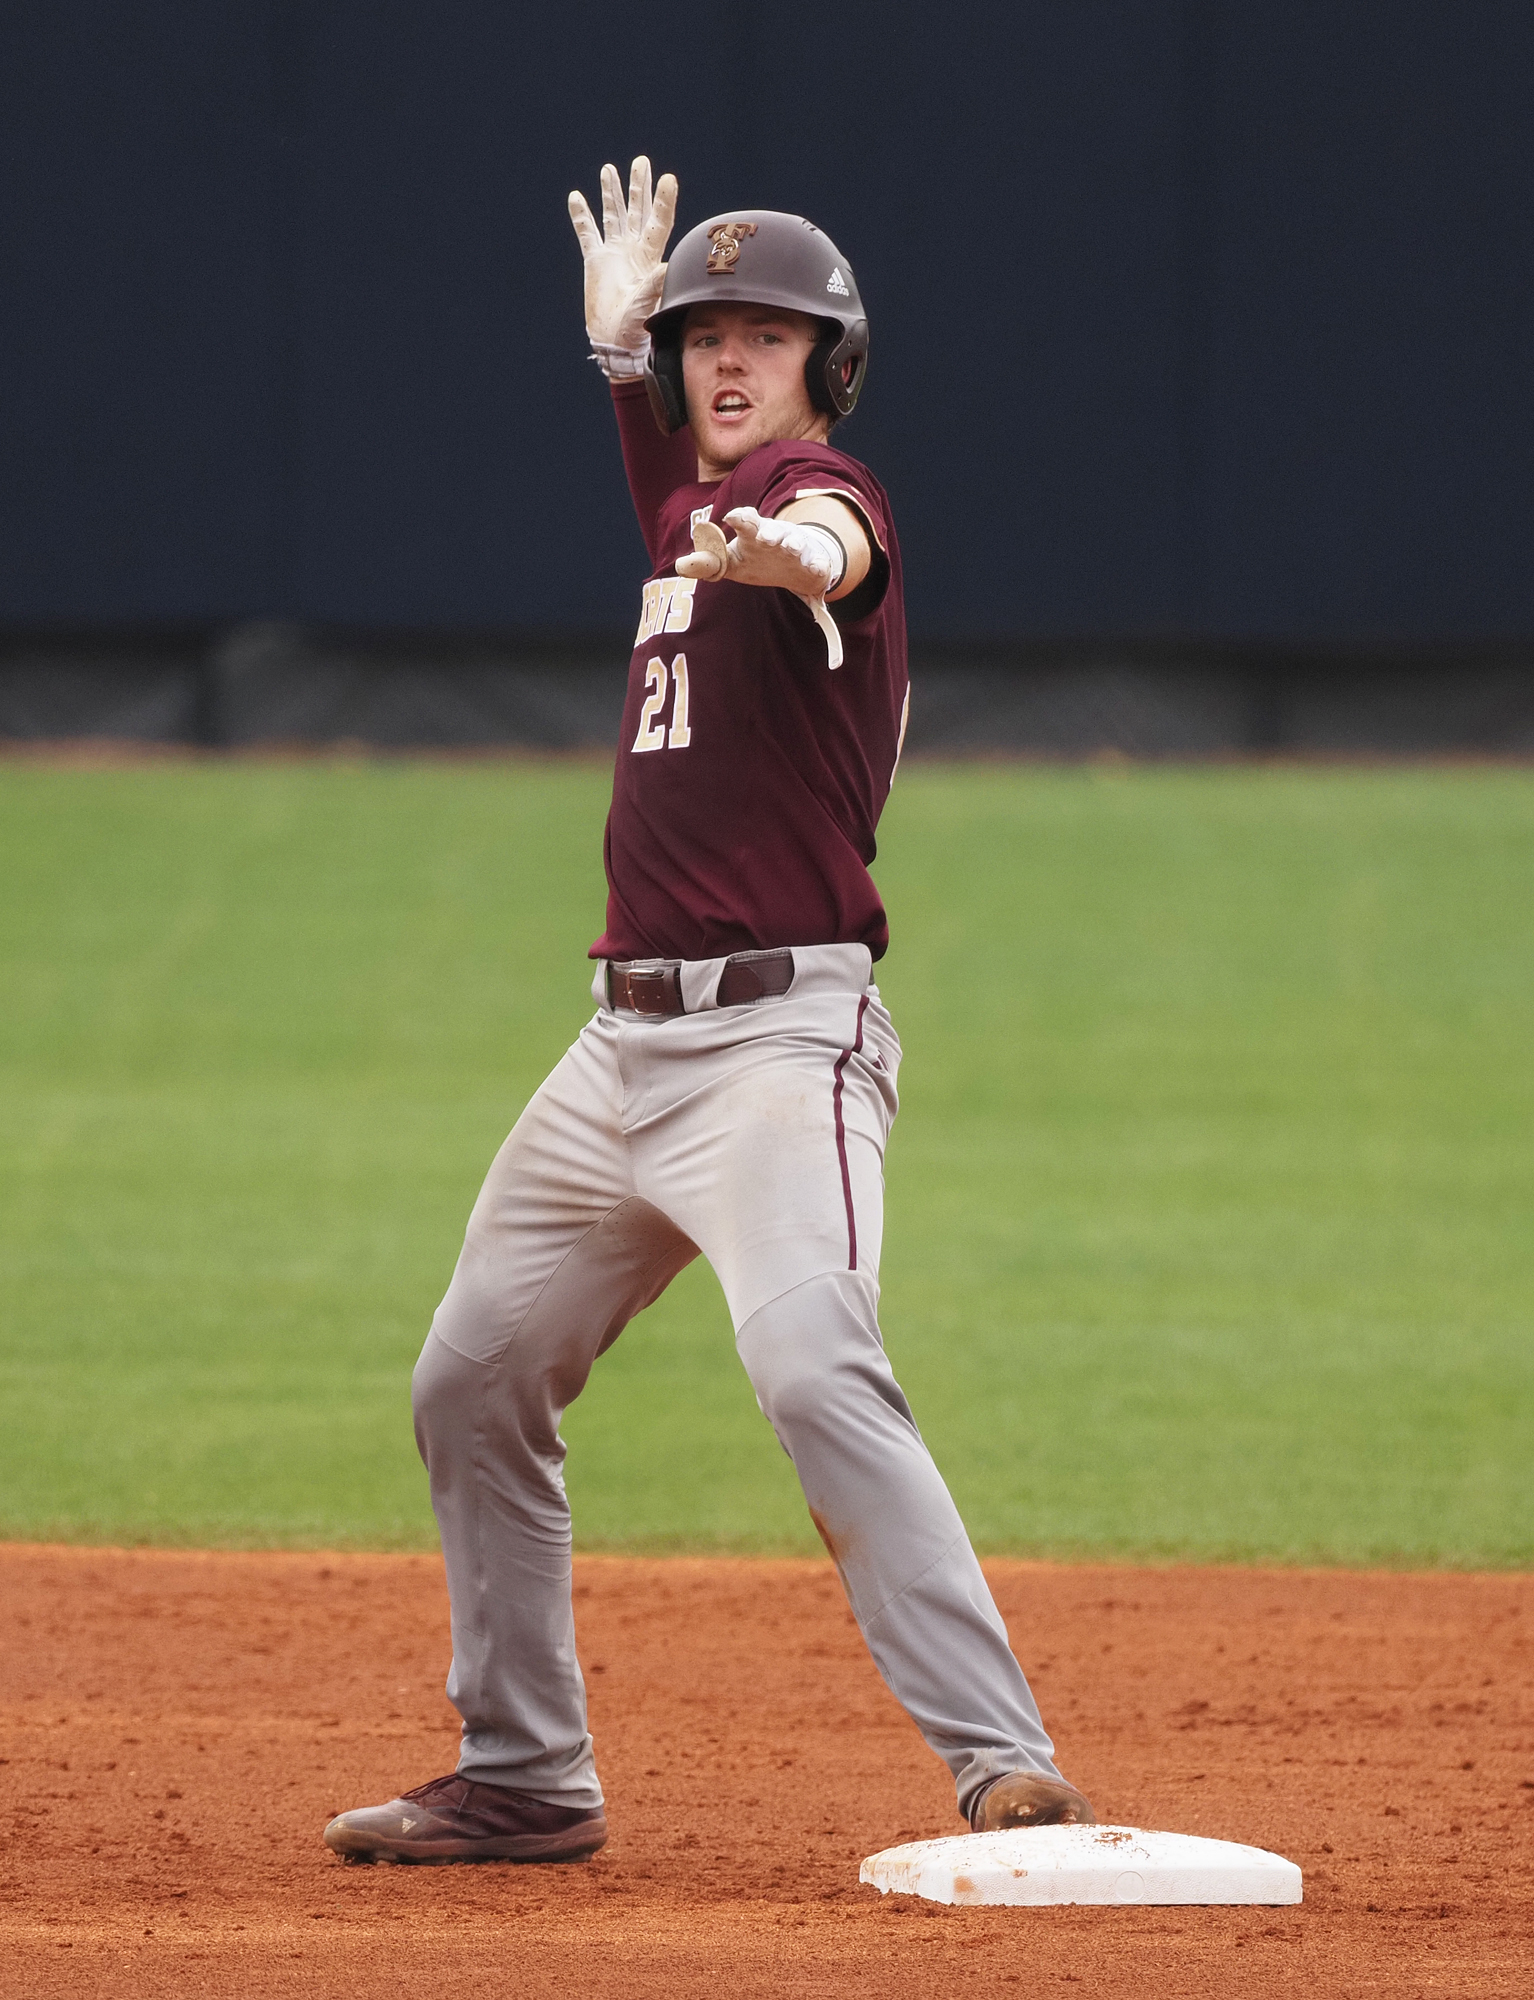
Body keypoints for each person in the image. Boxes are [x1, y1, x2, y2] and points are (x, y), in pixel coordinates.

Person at [322, 158, 1094, 1866]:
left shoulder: (823, 499)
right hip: (618, 1055)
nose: (727, 360)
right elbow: (685, 496)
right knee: (470, 1381)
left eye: (769, 335)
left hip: (774, 1050)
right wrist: (620, 364)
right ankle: (525, 1773)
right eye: (704, 339)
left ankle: (1001, 1759)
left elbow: (829, 547)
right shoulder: (689, 514)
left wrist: (796, 549)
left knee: (815, 1363)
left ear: (832, 367)